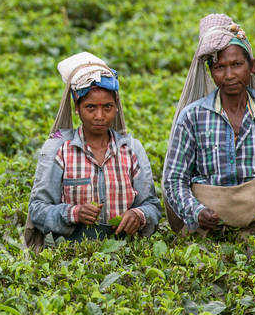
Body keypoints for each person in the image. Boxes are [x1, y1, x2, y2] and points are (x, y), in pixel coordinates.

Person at [162, 14, 255, 240]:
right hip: (205, 231)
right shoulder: (192, 117)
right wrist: (196, 212)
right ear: (210, 71)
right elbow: (173, 179)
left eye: (237, 65)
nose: (229, 75)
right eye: (219, 67)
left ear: (252, 66)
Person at [25, 53, 161, 251]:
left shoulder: (131, 149)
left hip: (126, 253)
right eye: (90, 107)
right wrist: (74, 213)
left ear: (116, 107)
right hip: (71, 255)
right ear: (77, 108)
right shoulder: (59, 150)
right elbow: (38, 209)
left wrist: (139, 215)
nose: (99, 116)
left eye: (107, 107)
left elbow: (152, 206)